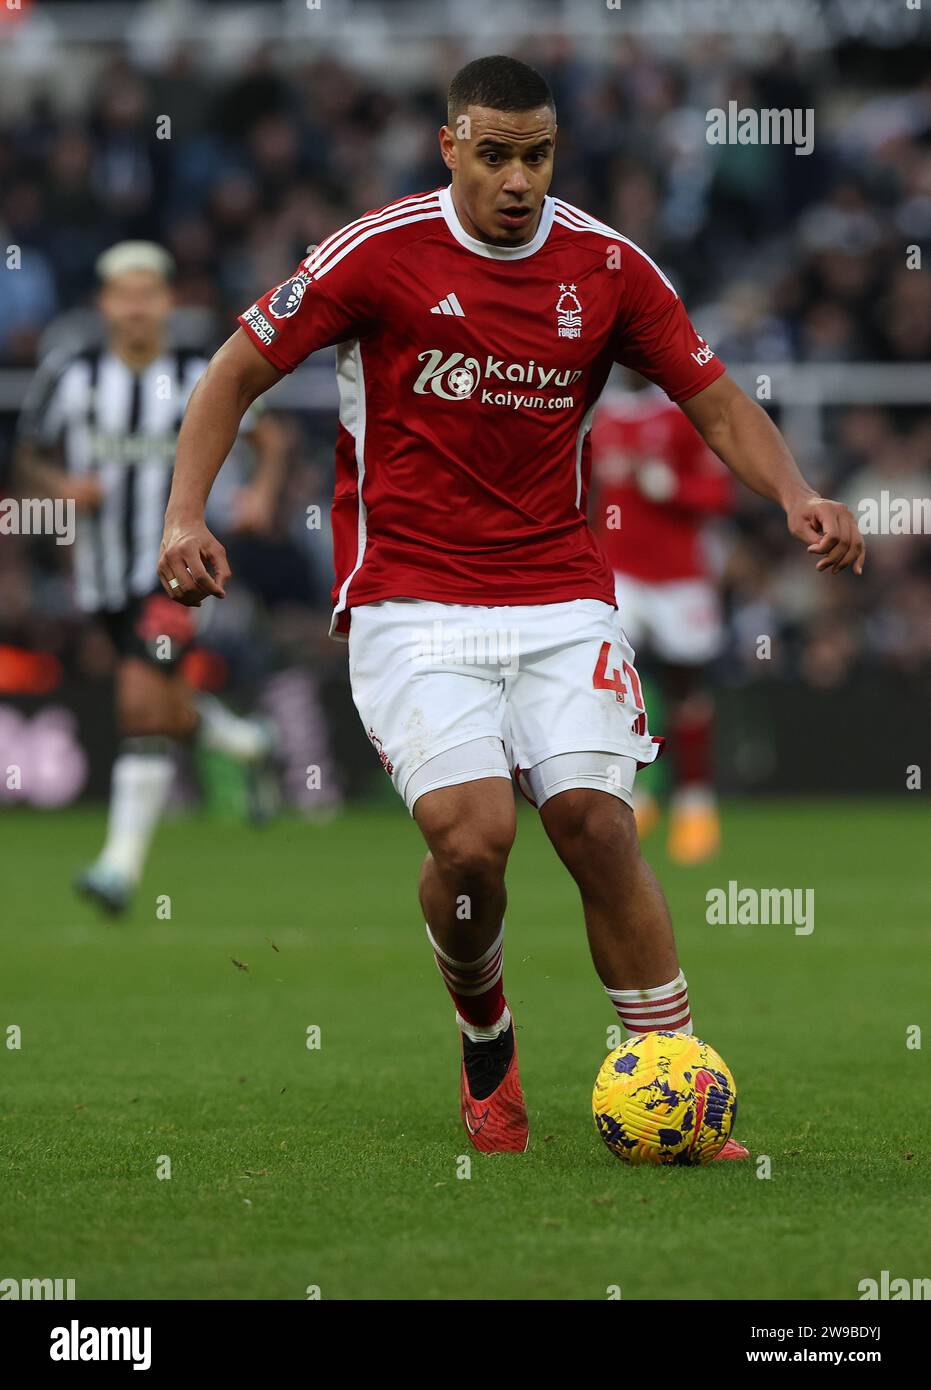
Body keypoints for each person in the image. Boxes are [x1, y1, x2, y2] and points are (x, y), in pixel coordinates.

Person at [157, 56, 865, 1156]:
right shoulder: (376, 252)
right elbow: (234, 371)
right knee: (475, 841)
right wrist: (183, 515)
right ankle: (485, 1025)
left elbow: (715, 398)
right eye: (494, 154)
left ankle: (674, 1077)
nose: (518, 178)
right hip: (408, 600)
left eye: (535, 154)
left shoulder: (607, 266)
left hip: (559, 596)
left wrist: (799, 493)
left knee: (595, 825)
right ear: (450, 147)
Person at [17, 241, 287, 915]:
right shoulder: (71, 370)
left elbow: (271, 437)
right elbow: (25, 455)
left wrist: (258, 497)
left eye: (148, 293)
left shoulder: (201, 368)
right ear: (105, 303)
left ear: (168, 301)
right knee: (163, 708)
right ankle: (246, 741)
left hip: (177, 570)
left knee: (139, 704)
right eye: (123, 295)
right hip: (103, 577)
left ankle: (118, 869)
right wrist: (58, 485)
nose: (136, 307)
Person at [591, 371, 733, 864]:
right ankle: (638, 793)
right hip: (620, 571)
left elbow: (720, 495)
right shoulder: (596, 411)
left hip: (680, 576)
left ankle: (695, 806)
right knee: (615, 685)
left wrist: (672, 487)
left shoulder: (680, 415)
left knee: (686, 690)